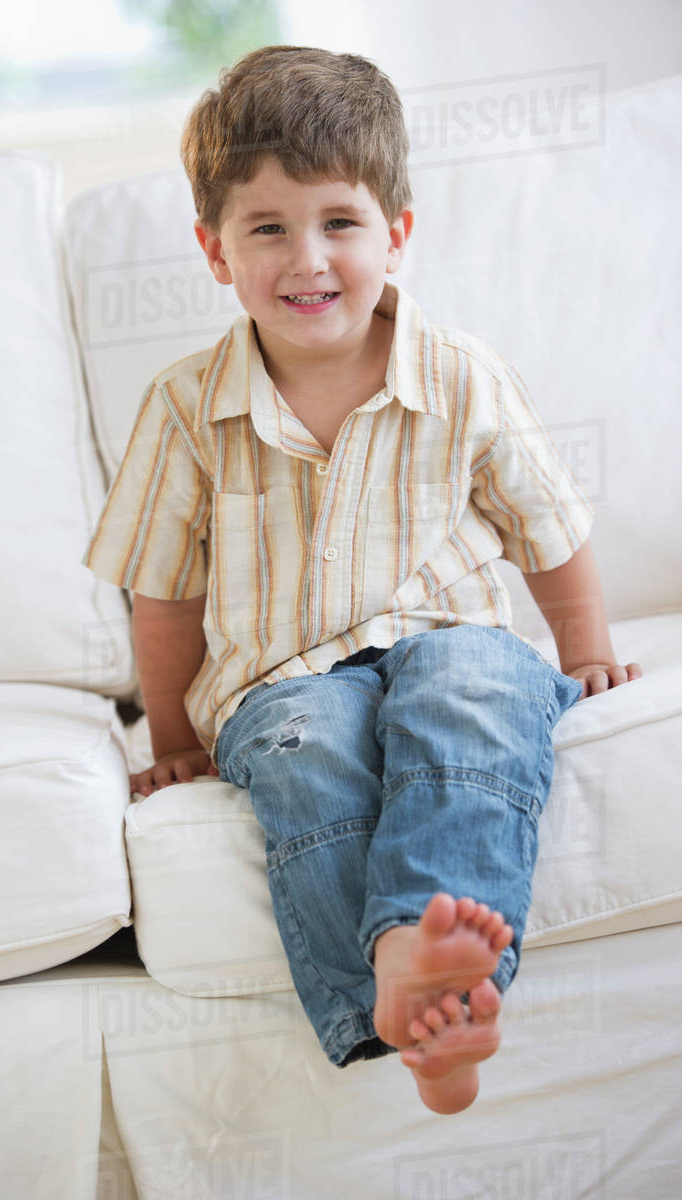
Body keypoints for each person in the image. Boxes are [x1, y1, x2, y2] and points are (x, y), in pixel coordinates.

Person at [83, 45, 642, 1114]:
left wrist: (585, 656)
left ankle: (429, 967)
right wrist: (174, 743)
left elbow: (547, 530)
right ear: (215, 252)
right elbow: (164, 596)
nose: (310, 259)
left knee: (464, 700)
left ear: (398, 231)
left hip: (457, 636)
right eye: (268, 229)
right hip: (280, 679)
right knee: (309, 753)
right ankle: (403, 995)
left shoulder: (459, 376)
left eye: (340, 222)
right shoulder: (183, 410)